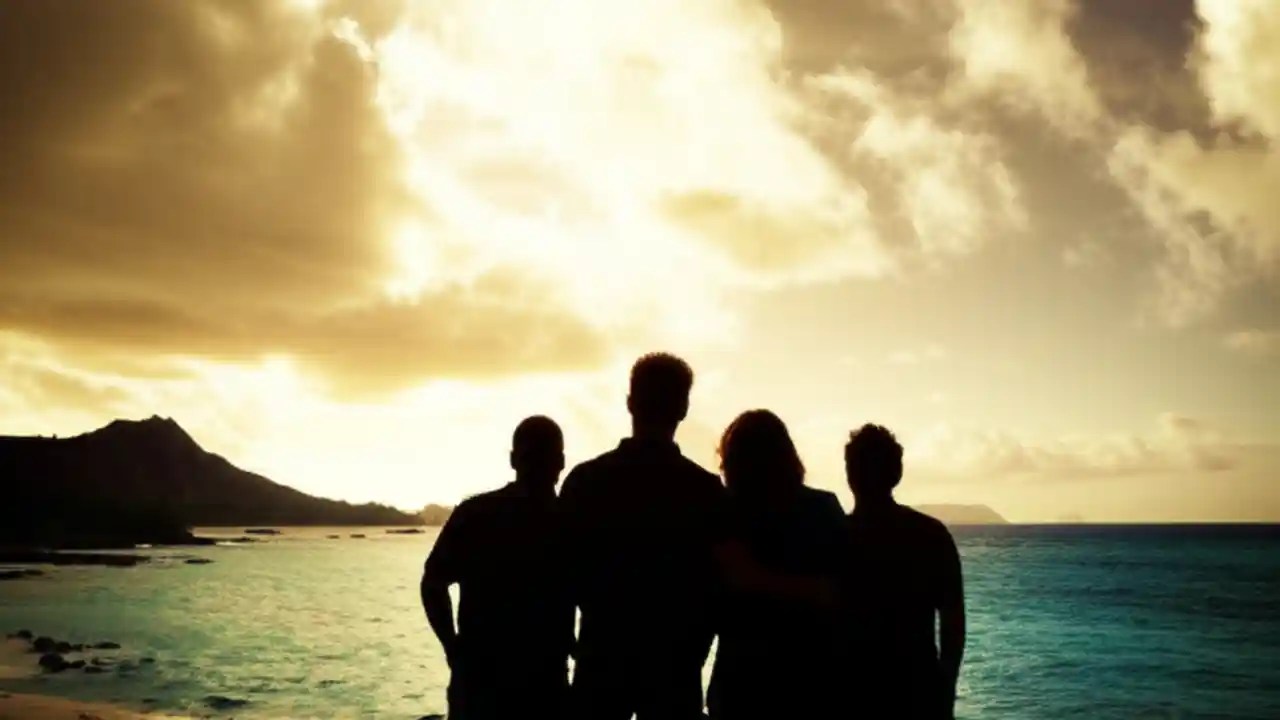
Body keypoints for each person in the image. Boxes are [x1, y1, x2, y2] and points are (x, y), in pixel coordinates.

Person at [559, 353, 726, 720]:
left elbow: (559, 576)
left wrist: (573, 645)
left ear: (630, 403)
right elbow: (717, 589)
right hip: (674, 666)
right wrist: (693, 650)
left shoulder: (585, 482)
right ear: (683, 408)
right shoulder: (707, 492)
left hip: (600, 657)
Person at [420, 416, 574, 720]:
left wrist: (453, 648)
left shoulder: (475, 514)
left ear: (513, 459)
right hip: (543, 687)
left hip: (480, 684)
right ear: (561, 462)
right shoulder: (570, 523)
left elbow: (433, 583)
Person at [706, 410, 847, 720]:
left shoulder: (724, 517)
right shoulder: (823, 510)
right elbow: (843, 597)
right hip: (813, 683)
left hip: (741, 686)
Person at [842, 424, 966, 719]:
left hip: (851, 693)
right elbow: (953, 623)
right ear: (897, 473)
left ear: (850, 475)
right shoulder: (931, 534)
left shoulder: (835, 537)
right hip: (917, 690)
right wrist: (945, 687)